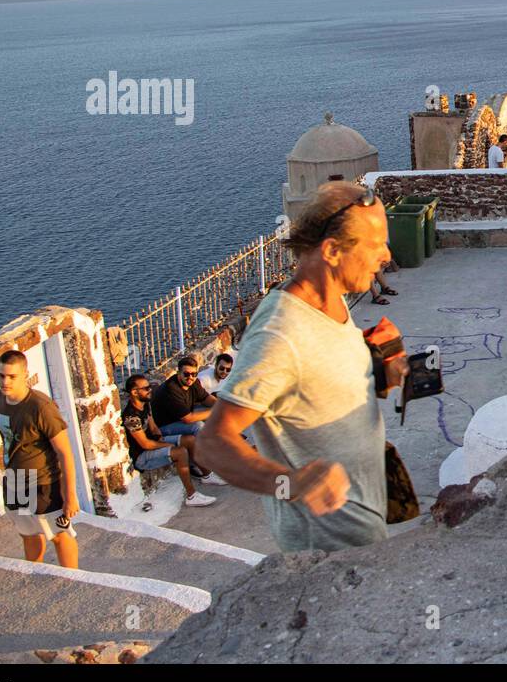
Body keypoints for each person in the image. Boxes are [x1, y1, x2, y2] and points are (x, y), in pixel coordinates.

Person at [196, 181, 400, 552]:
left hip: (365, 530)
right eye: (375, 245)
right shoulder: (281, 333)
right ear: (333, 250)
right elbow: (212, 445)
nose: (386, 255)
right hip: (326, 551)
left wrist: (384, 373)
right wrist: (290, 484)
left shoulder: (334, 302)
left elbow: (317, 388)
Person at [0, 350, 81, 569]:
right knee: (28, 532)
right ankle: (36, 571)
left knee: (59, 534)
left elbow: (64, 452)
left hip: (43, 482)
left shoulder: (41, 407)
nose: (6, 381)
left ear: (25, 375)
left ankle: (74, 580)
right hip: (15, 480)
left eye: (12, 376)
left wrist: (69, 495)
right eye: (2, 375)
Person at [121, 374, 217, 507]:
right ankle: (191, 496)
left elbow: (153, 427)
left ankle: (207, 475)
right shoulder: (131, 417)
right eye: (146, 388)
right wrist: (169, 444)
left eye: (149, 387)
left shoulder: (145, 403)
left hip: (154, 443)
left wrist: (160, 437)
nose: (150, 390)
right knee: (180, 452)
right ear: (135, 392)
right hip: (142, 456)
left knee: (189, 440)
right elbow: (145, 444)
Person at [151, 358, 217, 440]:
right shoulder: (171, 389)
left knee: (217, 409)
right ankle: (209, 451)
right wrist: (215, 411)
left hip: (182, 416)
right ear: (178, 373)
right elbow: (188, 419)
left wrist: (221, 406)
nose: (190, 377)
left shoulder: (194, 381)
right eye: (186, 374)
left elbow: (206, 399)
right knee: (197, 426)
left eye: (194, 374)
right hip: (165, 426)